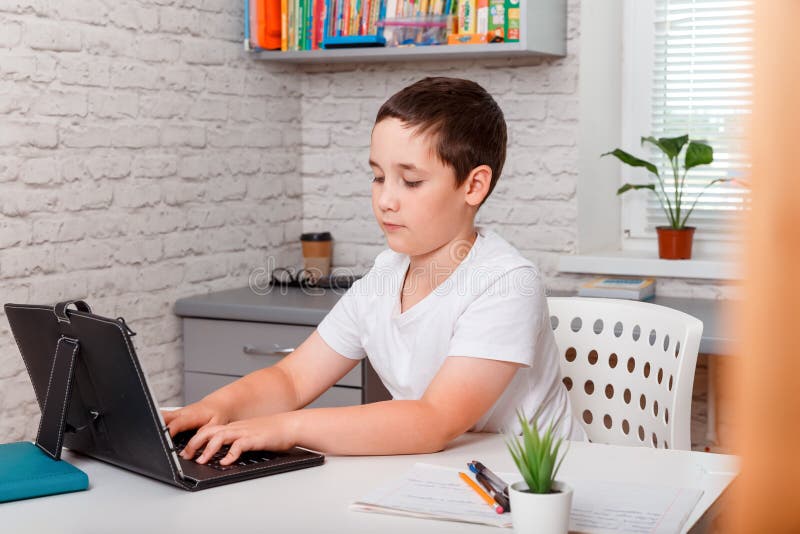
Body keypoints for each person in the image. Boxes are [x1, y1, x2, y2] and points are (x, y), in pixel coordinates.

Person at [164, 77, 585, 466]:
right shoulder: (385, 275)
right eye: (378, 177)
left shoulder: (506, 282)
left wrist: (285, 427)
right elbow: (291, 379)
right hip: (441, 472)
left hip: (533, 483)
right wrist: (212, 409)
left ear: (473, 186)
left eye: (411, 182)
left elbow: (434, 420)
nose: (385, 200)